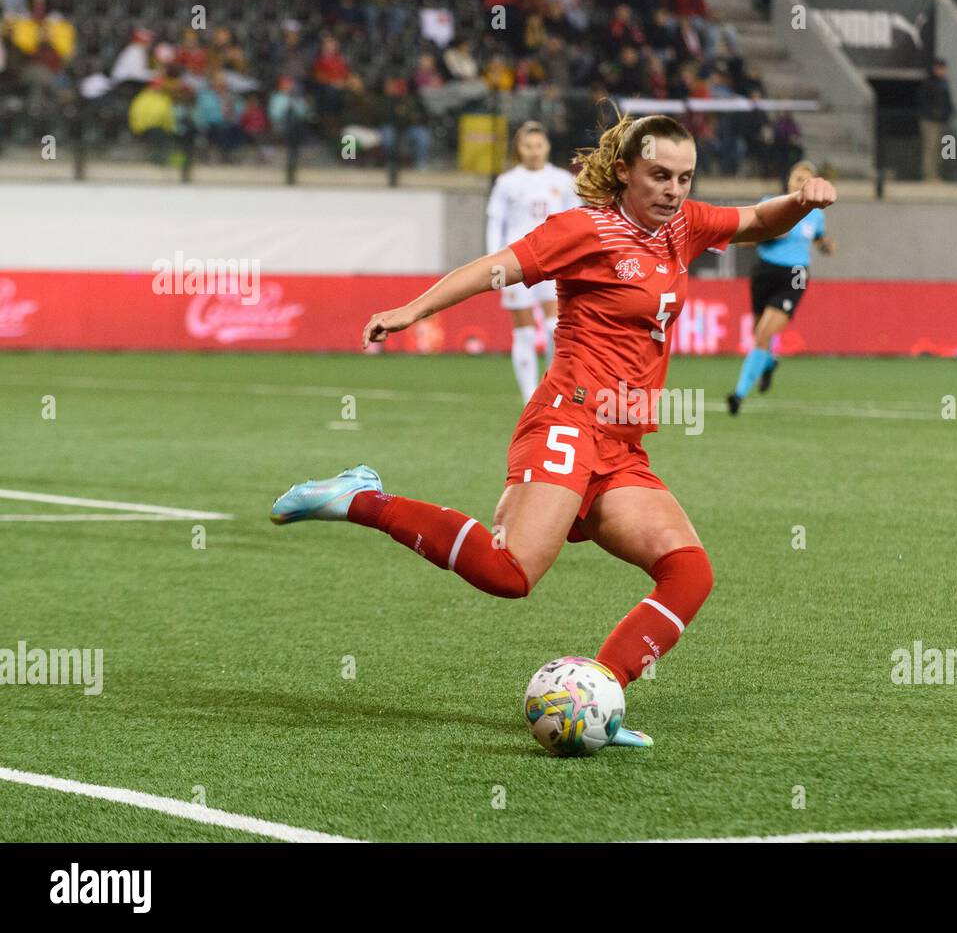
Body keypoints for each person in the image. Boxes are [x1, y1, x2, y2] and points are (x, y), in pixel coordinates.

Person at [269, 110, 838, 746]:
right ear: (623, 172)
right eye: (659, 175)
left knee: (690, 573)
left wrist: (800, 198)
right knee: (509, 573)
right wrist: (411, 311)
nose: (674, 190)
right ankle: (359, 498)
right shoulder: (584, 231)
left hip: (621, 447)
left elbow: (761, 221)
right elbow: (492, 269)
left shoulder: (684, 226)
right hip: (566, 420)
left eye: (684, 177)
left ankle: (602, 694)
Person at [727, 160, 835, 414]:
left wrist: (826, 246)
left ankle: (738, 394)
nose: (801, 184)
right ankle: (768, 363)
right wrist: (768, 234)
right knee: (758, 332)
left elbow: (819, 238)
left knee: (763, 334)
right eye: (798, 178)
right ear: (789, 181)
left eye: (807, 180)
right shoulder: (770, 204)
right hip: (765, 271)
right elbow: (744, 238)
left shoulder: (817, 214)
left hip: (795, 274)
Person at [485, 122, 581, 402]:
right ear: (519, 149)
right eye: (528, 146)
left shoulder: (563, 180)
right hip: (516, 263)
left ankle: (552, 388)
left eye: (539, 145)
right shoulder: (507, 182)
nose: (534, 151)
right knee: (525, 333)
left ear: (547, 147)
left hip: (553, 263)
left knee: (554, 329)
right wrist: (494, 261)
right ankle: (530, 398)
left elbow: (576, 220)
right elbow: (495, 223)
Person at [917, 59, 953, 181]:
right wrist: (933, 112)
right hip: (930, 121)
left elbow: (947, 101)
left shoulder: (944, 83)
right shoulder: (929, 83)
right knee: (930, 148)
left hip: (942, 121)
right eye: (941, 68)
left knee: (941, 150)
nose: (943, 71)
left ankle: (936, 175)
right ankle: (928, 175)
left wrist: (948, 113)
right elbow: (923, 101)